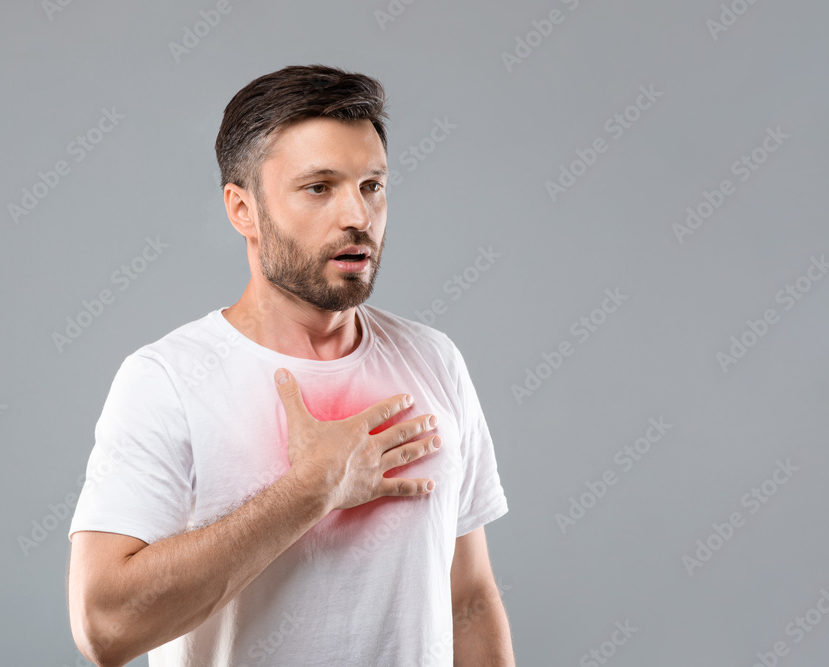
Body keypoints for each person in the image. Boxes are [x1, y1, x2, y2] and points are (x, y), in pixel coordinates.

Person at [66, 64, 514, 667]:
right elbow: (105, 628)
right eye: (319, 187)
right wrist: (309, 490)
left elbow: (470, 598)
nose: (357, 215)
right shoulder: (167, 381)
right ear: (242, 209)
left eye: (372, 186)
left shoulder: (433, 360)